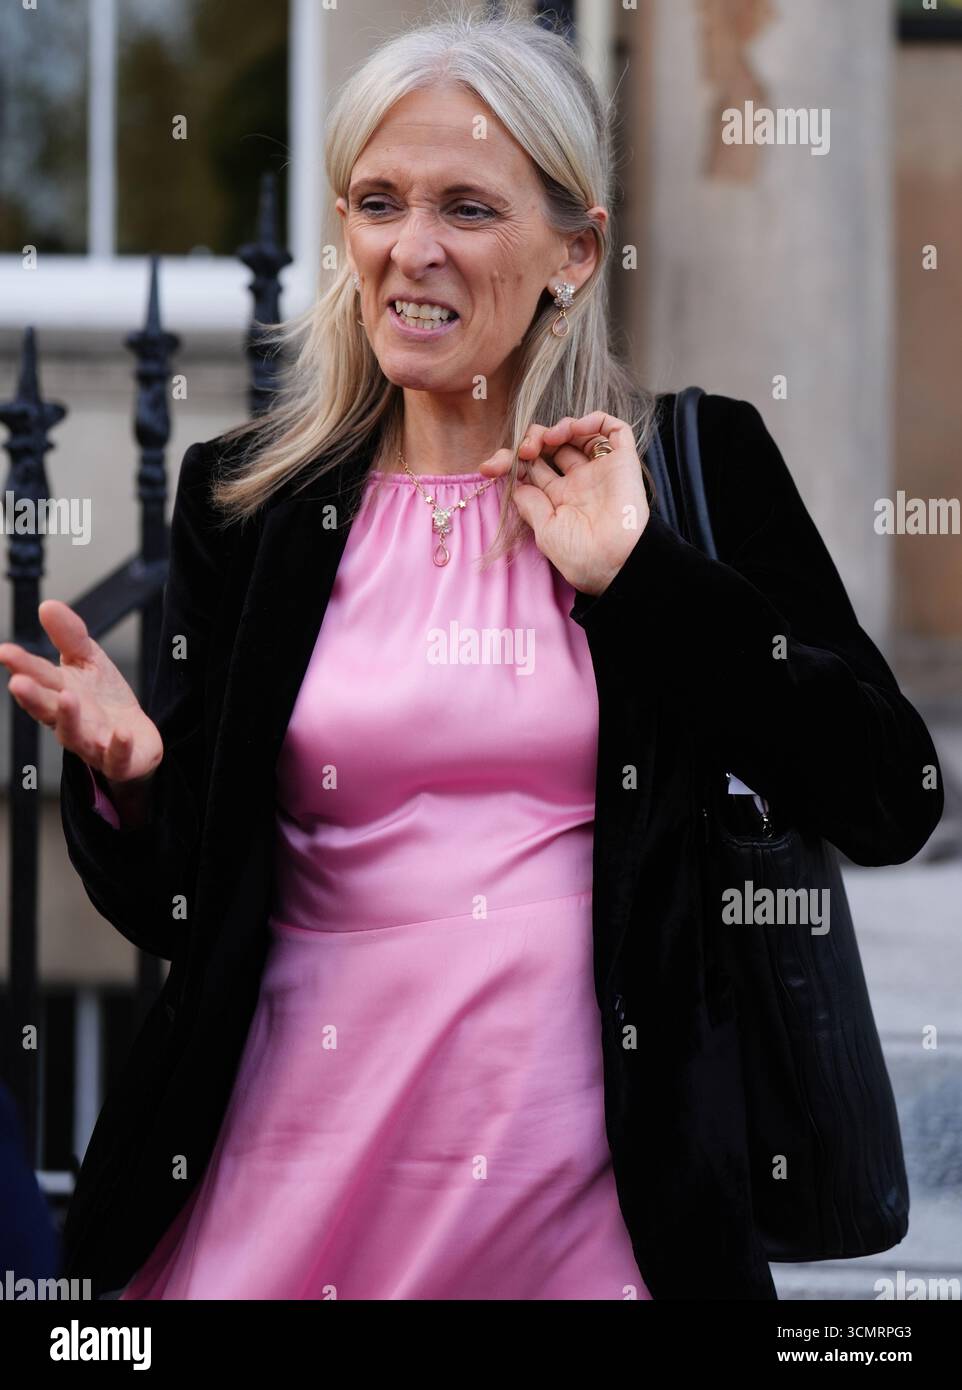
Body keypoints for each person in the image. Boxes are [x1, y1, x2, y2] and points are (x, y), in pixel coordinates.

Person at [0, 5, 943, 1301]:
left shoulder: (687, 467)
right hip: (285, 1183)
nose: (411, 248)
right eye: (376, 200)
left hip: (593, 1217)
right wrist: (135, 775)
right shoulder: (248, 501)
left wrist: (639, 579)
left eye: (467, 207)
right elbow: (176, 905)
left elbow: (885, 791)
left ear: (574, 249)